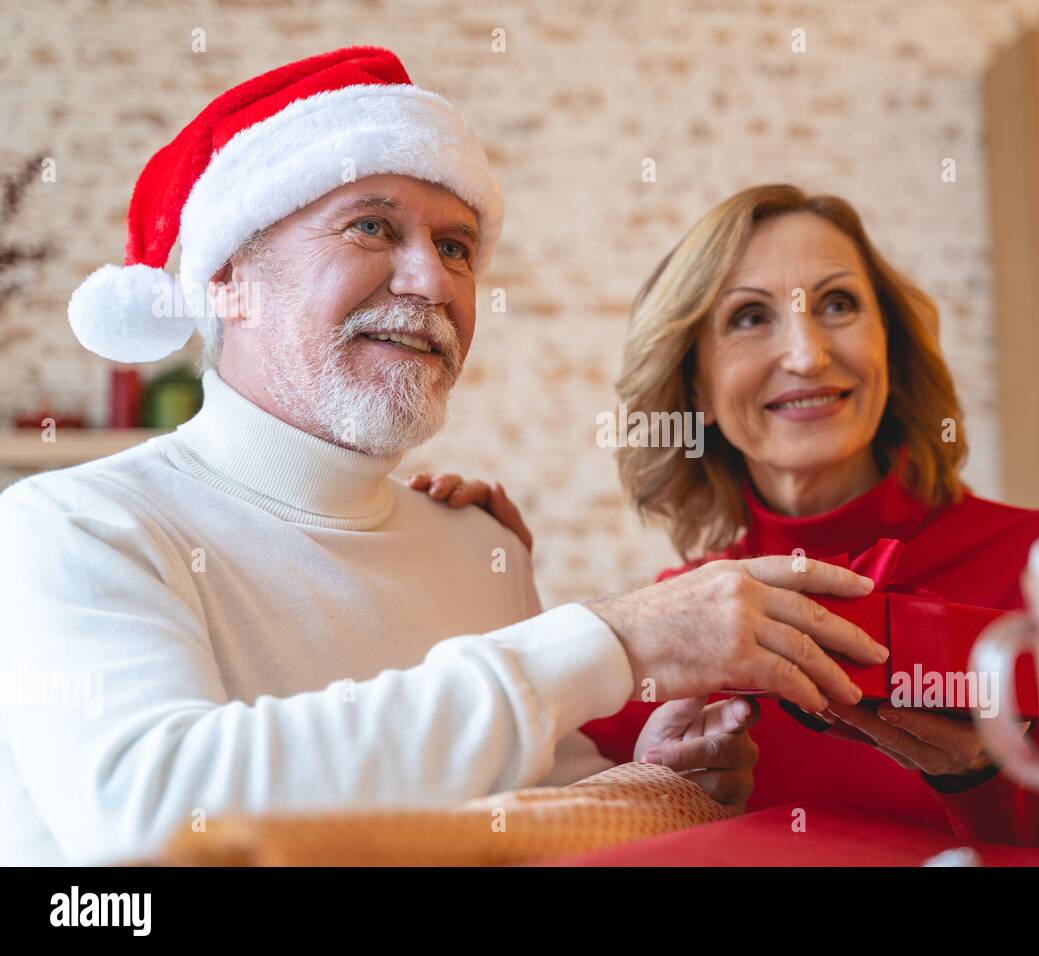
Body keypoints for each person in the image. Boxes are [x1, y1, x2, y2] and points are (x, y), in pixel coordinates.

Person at [0, 51, 889, 865]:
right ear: (228, 280)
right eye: (373, 228)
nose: (430, 281)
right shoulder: (73, 527)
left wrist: (649, 781)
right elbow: (157, 817)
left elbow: (512, 815)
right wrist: (612, 638)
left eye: (455, 246)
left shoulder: (476, 545)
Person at [417, 184, 1039, 846]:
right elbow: (515, 801)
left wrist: (983, 777)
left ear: (890, 348)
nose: (808, 355)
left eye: (837, 305)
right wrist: (487, 579)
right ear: (695, 384)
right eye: (751, 318)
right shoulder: (671, 619)